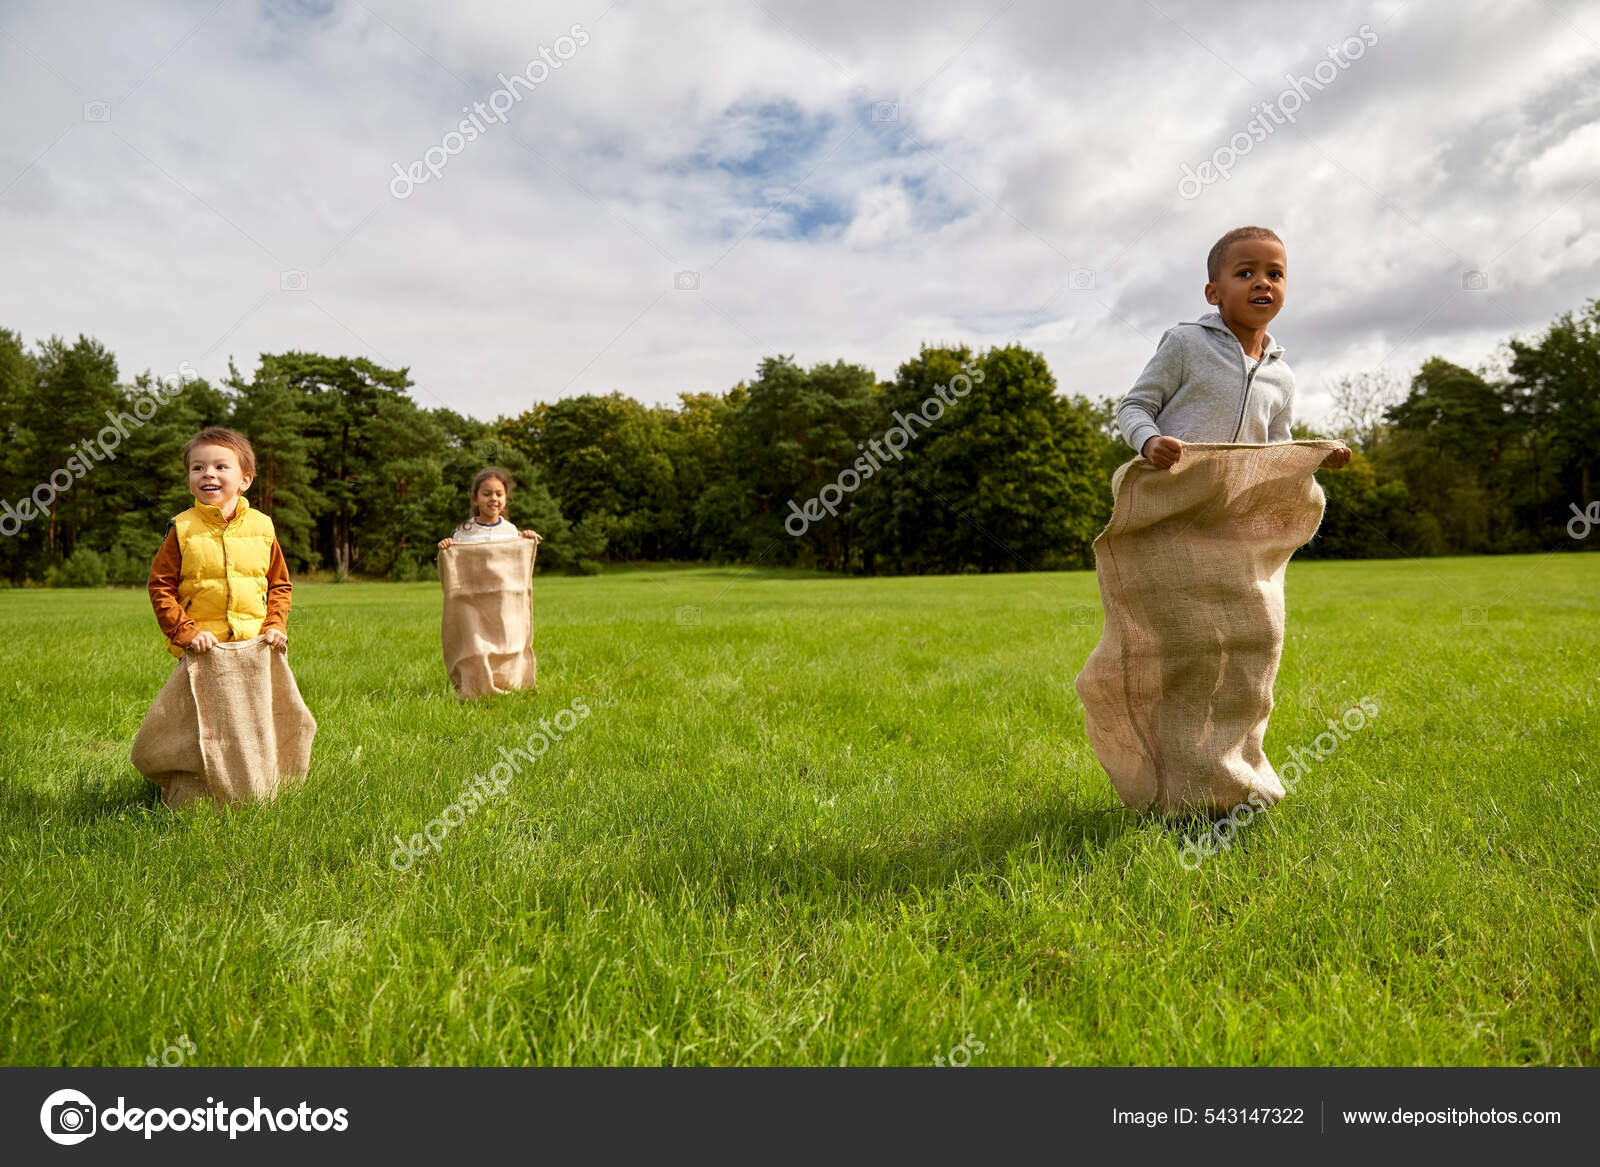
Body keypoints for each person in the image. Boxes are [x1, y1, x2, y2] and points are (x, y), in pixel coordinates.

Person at [1116, 225, 1351, 471]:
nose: (1263, 283)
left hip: (1236, 505)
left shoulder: (1282, 377)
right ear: (1214, 294)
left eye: (1274, 274)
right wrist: (1150, 442)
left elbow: (1278, 450)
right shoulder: (1185, 343)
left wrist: (1315, 458)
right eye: (1245, 273)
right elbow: (1135, 406)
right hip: (1174, 493)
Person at [147, 427, 292, 657]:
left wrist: (275, 625)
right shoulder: (181, 528)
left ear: (245, 480)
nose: (208, 473)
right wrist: (186, 632)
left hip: (254, 645)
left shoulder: (263, 526)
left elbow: (279, 585)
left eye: (221, 466)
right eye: (198, 468)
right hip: (202, 647)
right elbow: (160, 587)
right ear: (189, 480)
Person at [437, 467, 542, 550]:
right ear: (475, 499)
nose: (494, 498)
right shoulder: (464, 533)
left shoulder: (511, 531)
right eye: (487, 494)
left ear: (506, 497)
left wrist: (527, 539)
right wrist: (447, 546)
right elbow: (456, 563)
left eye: (499, 494)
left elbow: (517, 562)